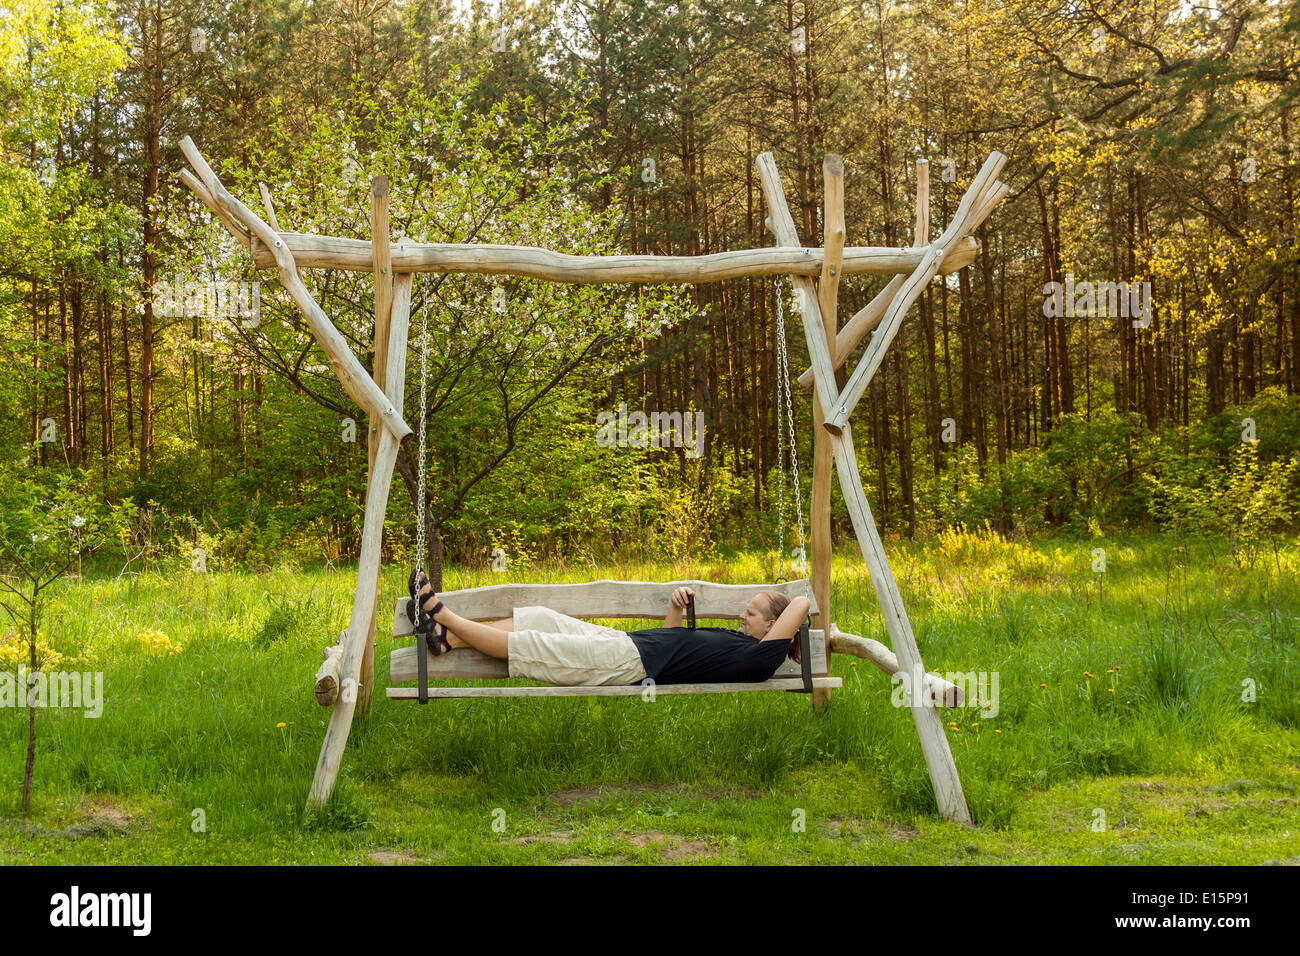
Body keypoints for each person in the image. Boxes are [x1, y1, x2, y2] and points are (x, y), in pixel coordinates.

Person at [407, 572, 809, 686]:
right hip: (626, 644)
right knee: (541, 618)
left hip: (626, 666)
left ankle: (442, 616)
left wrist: (801, 601)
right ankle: (447, 639)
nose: (742, 615)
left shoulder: (760, 660)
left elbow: (802, 603)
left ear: (774, 627)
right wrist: (674, 608)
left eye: (752, 614)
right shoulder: (740, 643)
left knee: (534, 646)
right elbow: (671, 648)